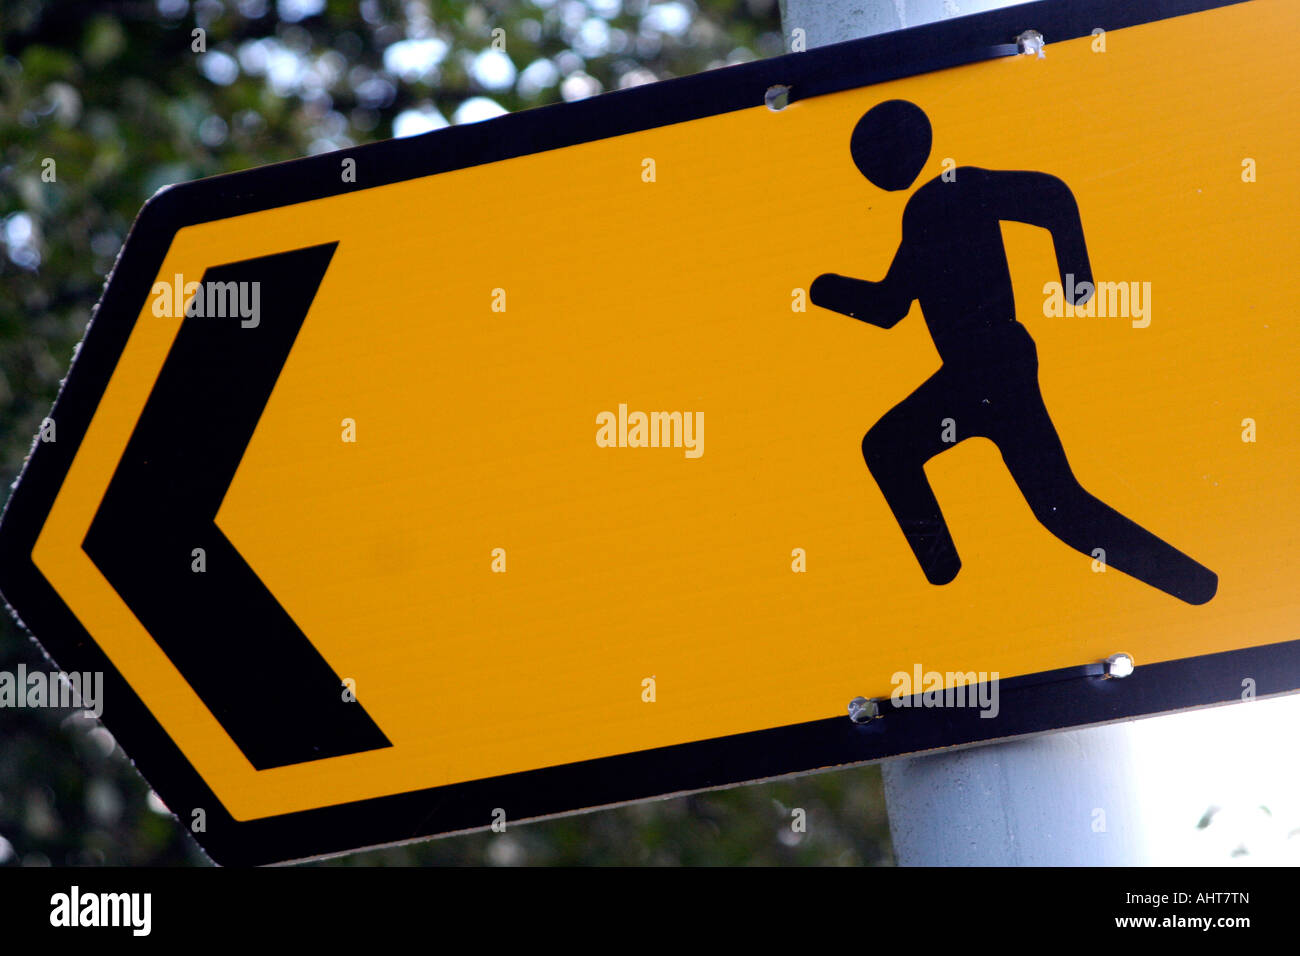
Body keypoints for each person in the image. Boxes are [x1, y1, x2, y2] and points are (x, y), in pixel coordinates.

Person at [811, 100, 1217, 605]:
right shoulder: (922, 215)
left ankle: (1195, 585)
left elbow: (1051, 196)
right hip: (972, 370)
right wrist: (823, 289)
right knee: (1047, 502)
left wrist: (1077, 278)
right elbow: (890, 306)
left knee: (1053, 503)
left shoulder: (955, 188)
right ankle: (944, 575)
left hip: (992, 362)